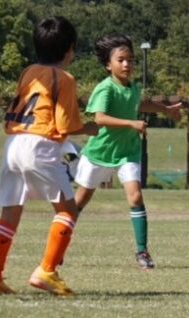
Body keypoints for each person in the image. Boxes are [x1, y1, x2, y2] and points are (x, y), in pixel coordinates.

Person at [0, 16, 91, 297]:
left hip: (14, 143)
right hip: (40, 146)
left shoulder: (28, 71)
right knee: (67, 210)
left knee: (9, 213)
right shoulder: (64, 79)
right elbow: (66, 125)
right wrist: (94, 127)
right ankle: (47, 271)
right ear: (70, 49)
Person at [72, 35, 182, 270]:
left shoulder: (133, 88)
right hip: (100, 152)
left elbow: (140, 104)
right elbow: (100, 118)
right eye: (121, 60)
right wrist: (132, 123)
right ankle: (58, 247)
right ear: (108, 64)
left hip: (127, 153)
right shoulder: (105, 88)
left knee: (136, 197)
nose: (127, 64)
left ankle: (142, 251)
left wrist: (166, 110)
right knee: (79, 202)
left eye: (130, 60)